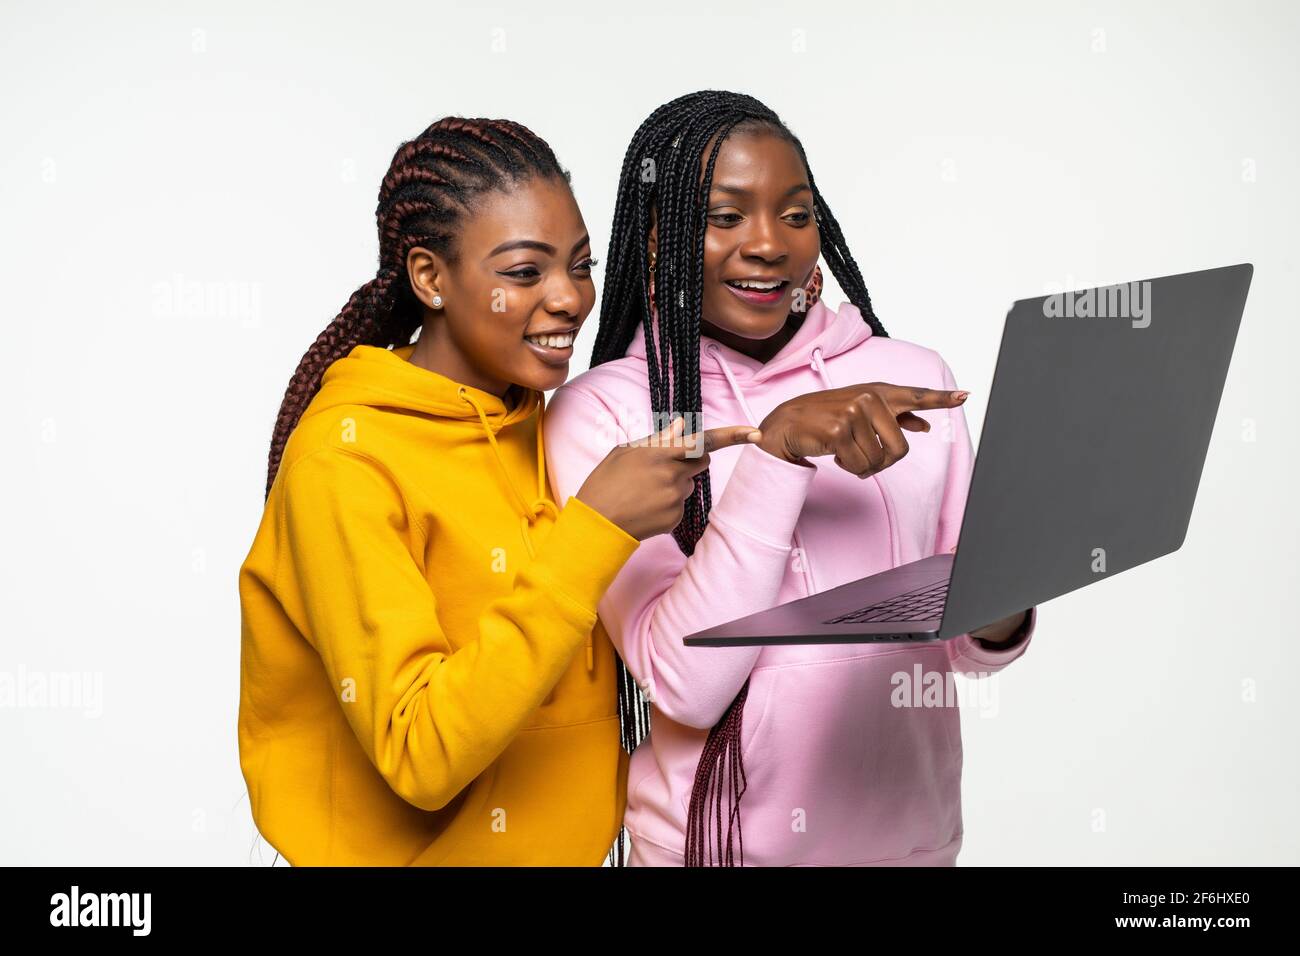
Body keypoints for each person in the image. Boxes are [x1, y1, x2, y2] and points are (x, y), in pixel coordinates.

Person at [237, 115, 757, 865]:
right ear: (430, 278)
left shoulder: (542, 423)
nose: (570, 298)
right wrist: (594, 531)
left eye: (581, 265)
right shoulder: (343, 462)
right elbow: (420, 754)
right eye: (524, 272)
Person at [544, 91, 1036, 866]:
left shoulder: (910, 379)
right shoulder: (606, 415)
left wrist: (1003, 607)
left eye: (796, 214)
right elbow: (686, 685)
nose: (769, 244)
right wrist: (776, 455)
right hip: (712, 855)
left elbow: (963, 648)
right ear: (659, 240)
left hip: (913, 849)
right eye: (726, 217)